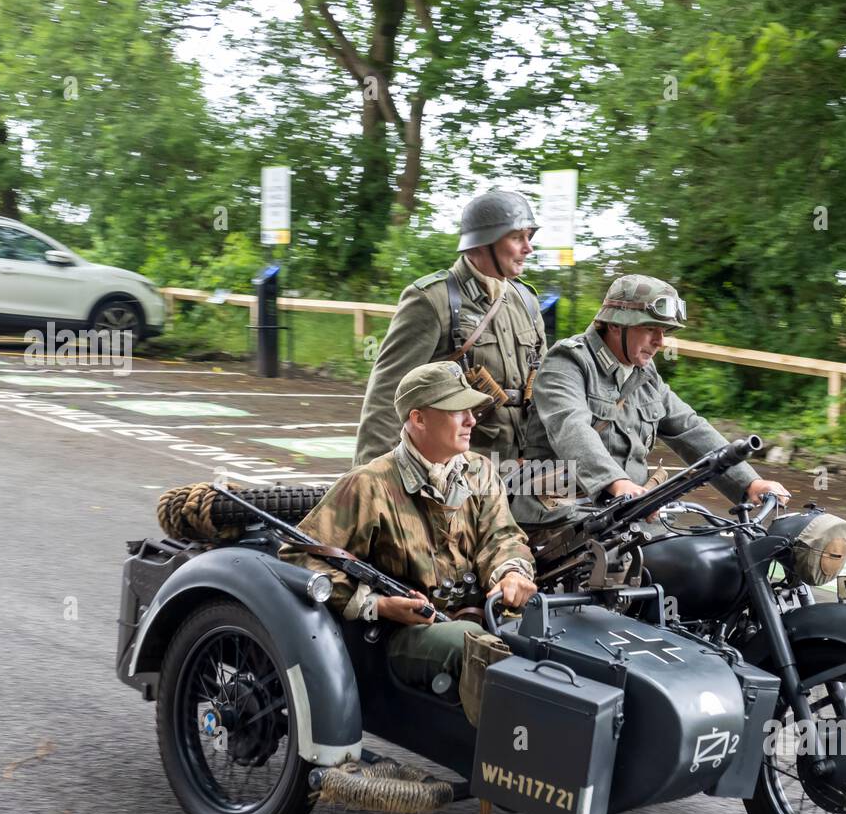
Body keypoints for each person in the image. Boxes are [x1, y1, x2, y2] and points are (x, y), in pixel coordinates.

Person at [280, 361, 537, 722]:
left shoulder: (479, 469)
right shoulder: (370, 485)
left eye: (470, 410)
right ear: (418, 419)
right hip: (400, 636)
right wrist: (378, 605)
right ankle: (510, 762)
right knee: (477, 647)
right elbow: (297, 557)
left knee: (548, 638)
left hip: (478, 613)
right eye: (457, 411)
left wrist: (509, 573)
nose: (471, 421)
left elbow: (502, 536)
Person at [511, 274, 790, 533]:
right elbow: (570, 427)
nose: (659, 341)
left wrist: (750, 482)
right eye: (650, 329)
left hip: (626, 515)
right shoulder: (568, 361)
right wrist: (617, 484)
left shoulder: (644, 374)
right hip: (561, 514)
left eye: (664, 331)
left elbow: (690, 428)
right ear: (615, 324)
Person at [353, 188, 547, 468]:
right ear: (483, 243)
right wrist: (369, 480)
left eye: (528, 237)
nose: (528, 248)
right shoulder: (433, 300)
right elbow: (386, 395)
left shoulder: (526, 302)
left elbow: (544, 387)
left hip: (520, 467)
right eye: (517, 237)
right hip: (456, 470)